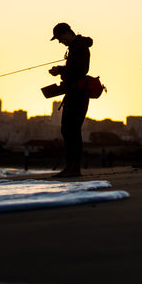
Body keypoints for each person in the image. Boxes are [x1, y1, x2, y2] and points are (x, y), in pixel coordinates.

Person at [48, 22, 93, 177]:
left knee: (71, 130)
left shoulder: (79, 47)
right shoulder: (77, 47)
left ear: (67, 33)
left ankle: (73, 168)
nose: (61, 42)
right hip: (75, 93)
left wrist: (60, 70)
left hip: (78, 95)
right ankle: (71, 167)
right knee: (69, 130)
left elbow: (78, 70)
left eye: (60, 38)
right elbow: (75, 69)